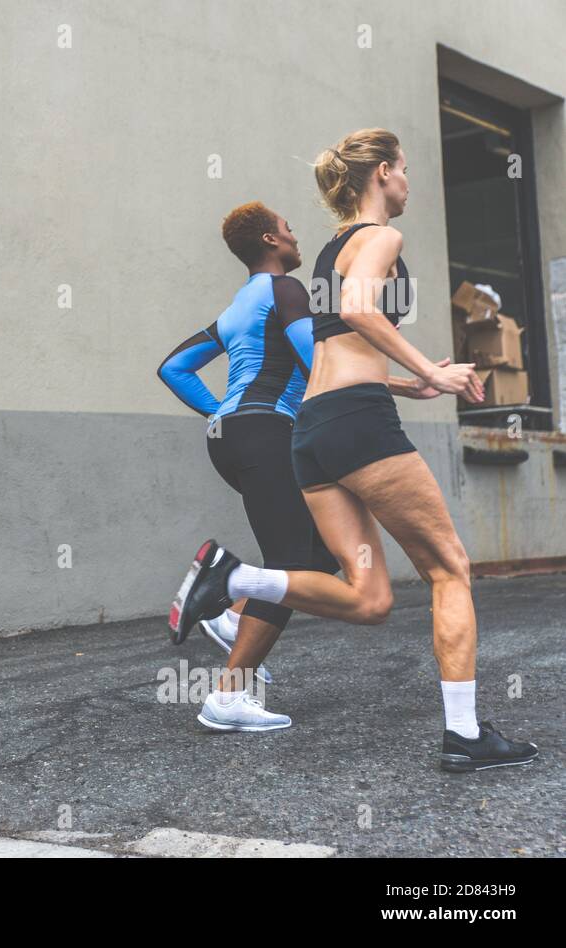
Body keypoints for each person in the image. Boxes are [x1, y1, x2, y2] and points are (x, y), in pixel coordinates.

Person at [170, 129, 537, 772]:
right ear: (382, 175)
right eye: (403, 170)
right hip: (357, 424)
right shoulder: (380, 237)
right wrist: (437, 370)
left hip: (314, 428)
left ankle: (234, 579)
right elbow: (363, 311)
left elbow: (340, 343)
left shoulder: (328, 252)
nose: (408, 181)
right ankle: (464, 734)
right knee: (450, 569)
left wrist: (409, 381)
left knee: (370, 597)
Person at [157, 202, 338, 731]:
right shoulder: (287, 290)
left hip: (233, 437)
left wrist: (221, 412)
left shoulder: (238, 305)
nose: (295, 234)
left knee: (319, 552)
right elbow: (316, 360)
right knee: (287, 563)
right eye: (289, 228)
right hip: (268, 432)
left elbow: (173, 367)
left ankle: (235, 617)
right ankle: (228, 693)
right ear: (270, 240)